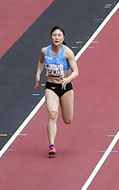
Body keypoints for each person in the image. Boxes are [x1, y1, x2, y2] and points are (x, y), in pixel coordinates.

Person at [35, 26, 80, 157]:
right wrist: (38, 75)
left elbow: (76, 71)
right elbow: (41, 62)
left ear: (63, 38)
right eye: (54, 35)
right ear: (51, 37)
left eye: (59, 35)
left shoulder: (68, 53)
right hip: (51, 87)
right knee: (53, 113)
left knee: (68, 119)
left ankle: (53, 140)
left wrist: (68, 79)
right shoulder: (45, 51)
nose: (57, 38)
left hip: (65, 88)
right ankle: (52, 145)